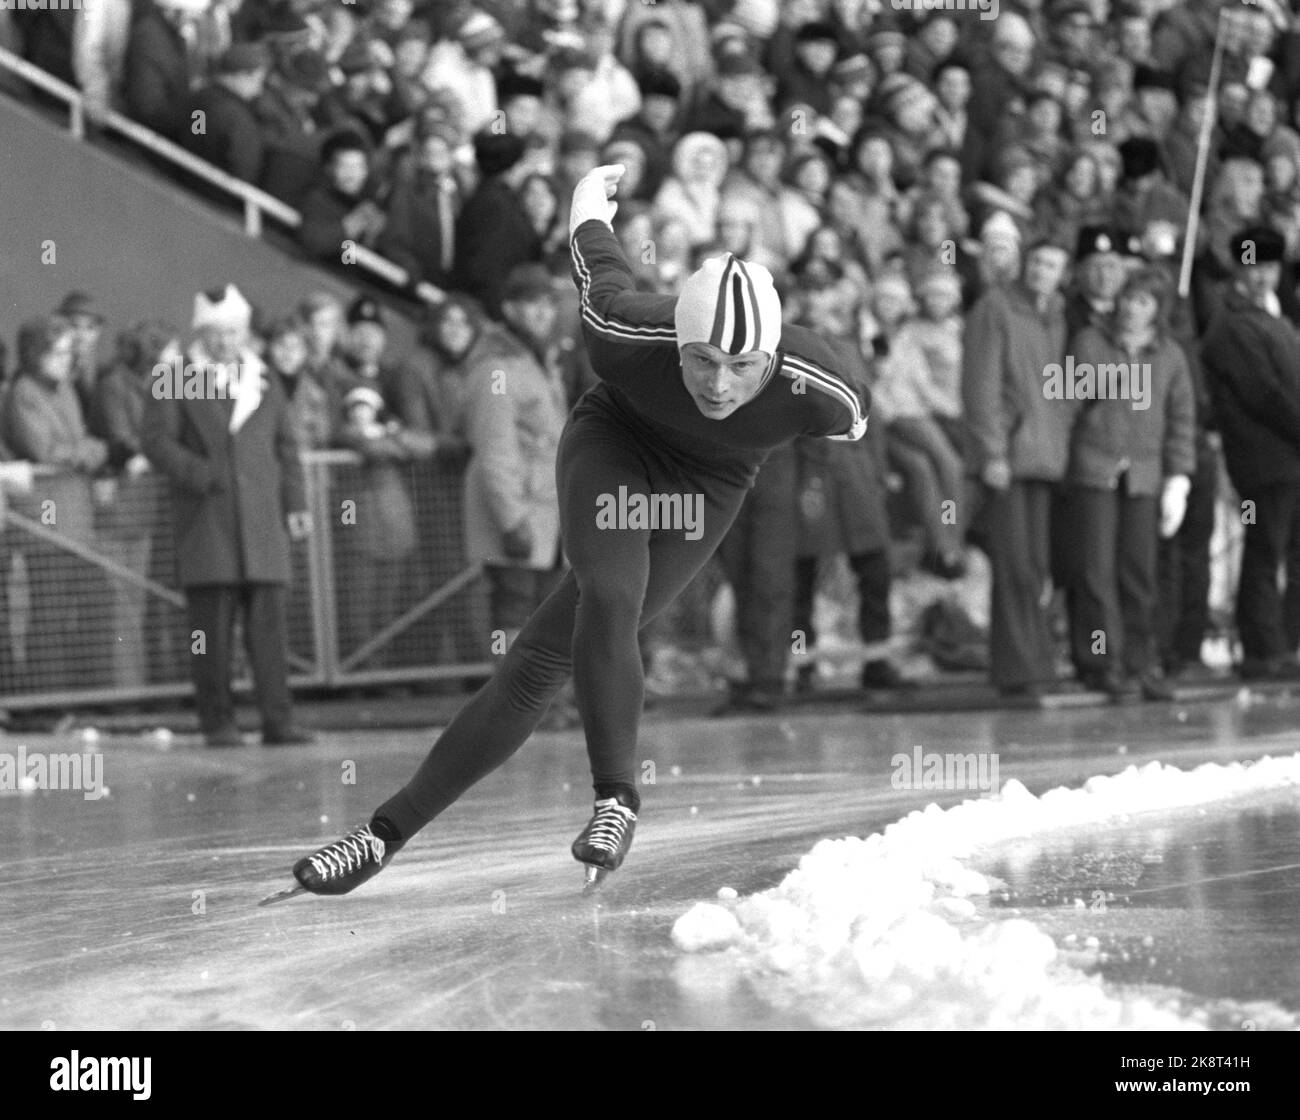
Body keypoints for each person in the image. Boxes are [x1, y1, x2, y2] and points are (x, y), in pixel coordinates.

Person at [278, 164, 868, 899]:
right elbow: (597, 254)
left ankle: (380, 835)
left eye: (743, 368)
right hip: (616, 447)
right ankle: (616, 800)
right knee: (611, 597)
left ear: (776, 361)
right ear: (674, 344)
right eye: (701, 361)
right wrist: (590, 198)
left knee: (536, 663)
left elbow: (859, 421)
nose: (720, 384)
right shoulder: (625, 331)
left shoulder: (824, 389)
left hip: (707, 487)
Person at [142, 284, 316, 747]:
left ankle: (278, 720)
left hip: (261, 522)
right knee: (210, 634)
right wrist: (202, 475)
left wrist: (296, 505)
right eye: (216, 333)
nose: (225, 342)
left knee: (269, 633)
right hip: (207, 520)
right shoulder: (176, 376)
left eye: (233, 332)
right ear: (202, 333)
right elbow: (156, 442)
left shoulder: (263, 378)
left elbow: (287, 449)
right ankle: (217, 723)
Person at [1200, 226, 1300, 681]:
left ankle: (1285, 643)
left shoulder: (1272, 319)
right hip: (1262, 463)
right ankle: (1262, 649)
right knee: (1265, 552)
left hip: (1287, 460)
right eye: (1255, 266)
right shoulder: (1233, 325)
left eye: (1271, 267)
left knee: (1283, 552)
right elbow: (1266, 395)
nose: (1264, 276)